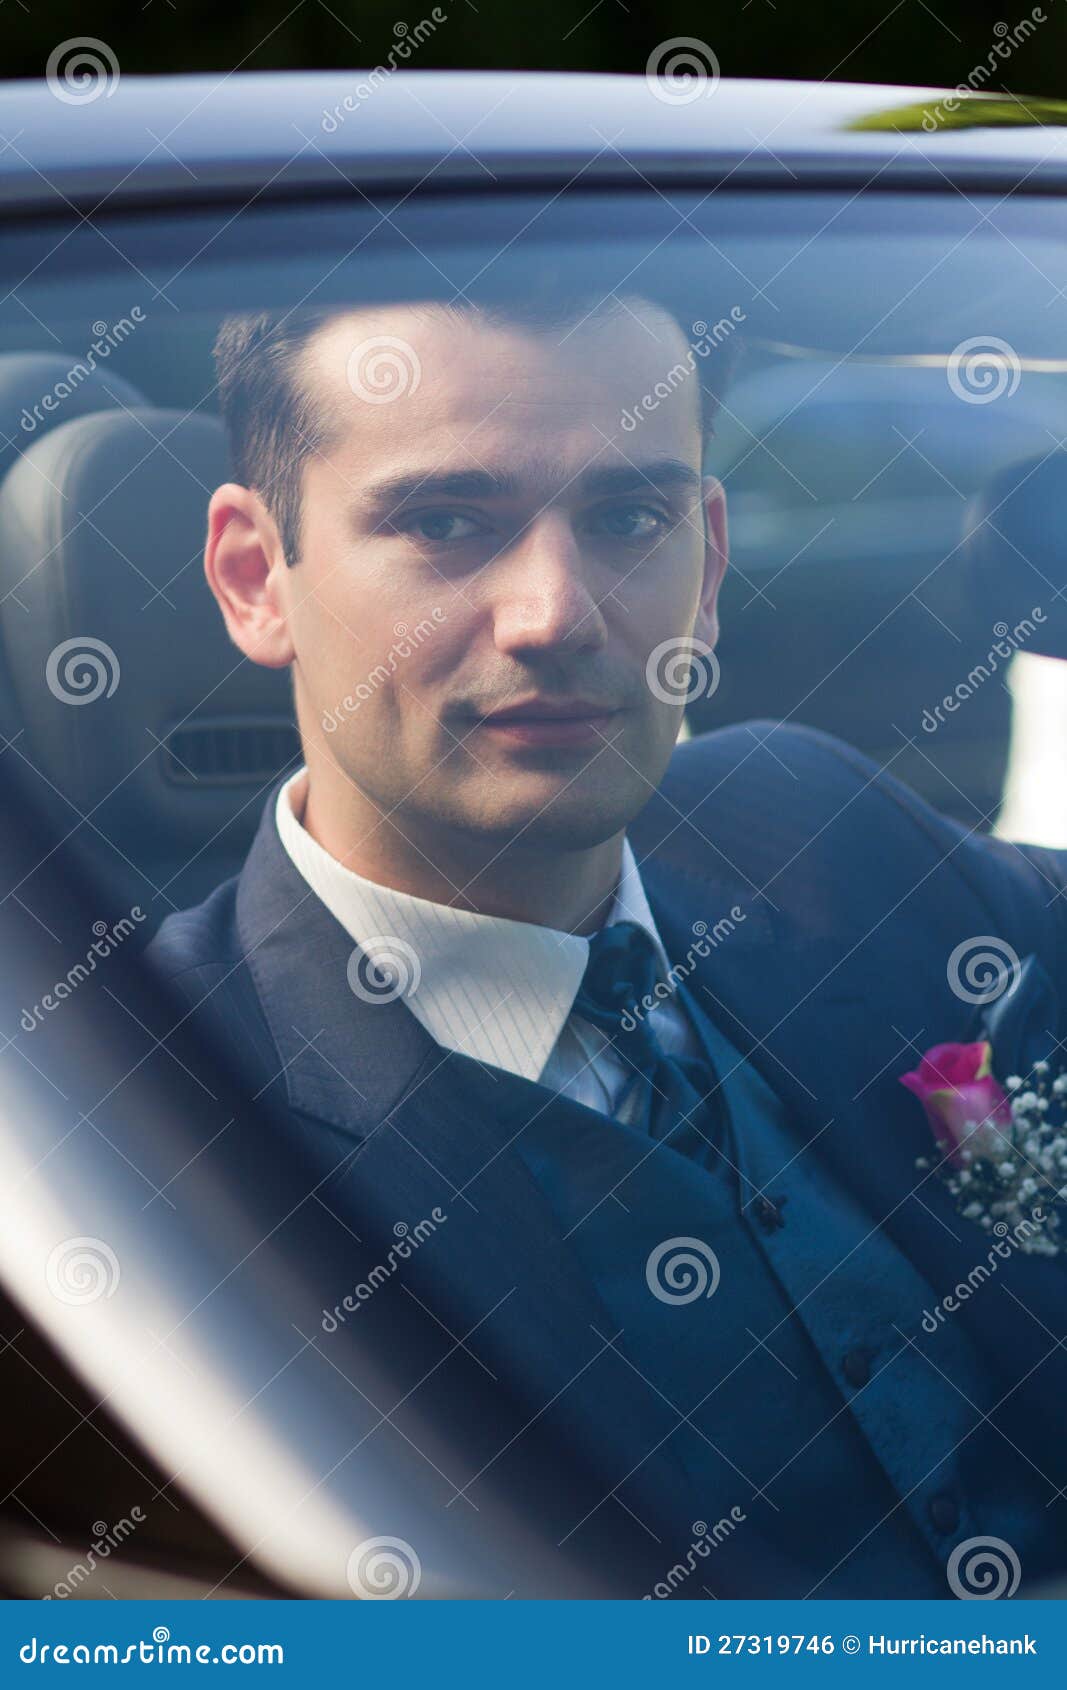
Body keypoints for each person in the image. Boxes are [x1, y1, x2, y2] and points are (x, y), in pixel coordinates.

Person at [146, 291, 1067, 1598]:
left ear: (706, 559)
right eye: (445, 522)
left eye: (629, 517)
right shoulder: (137, 1121)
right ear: (254, 575)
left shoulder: (820, 826)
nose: (553, 613)